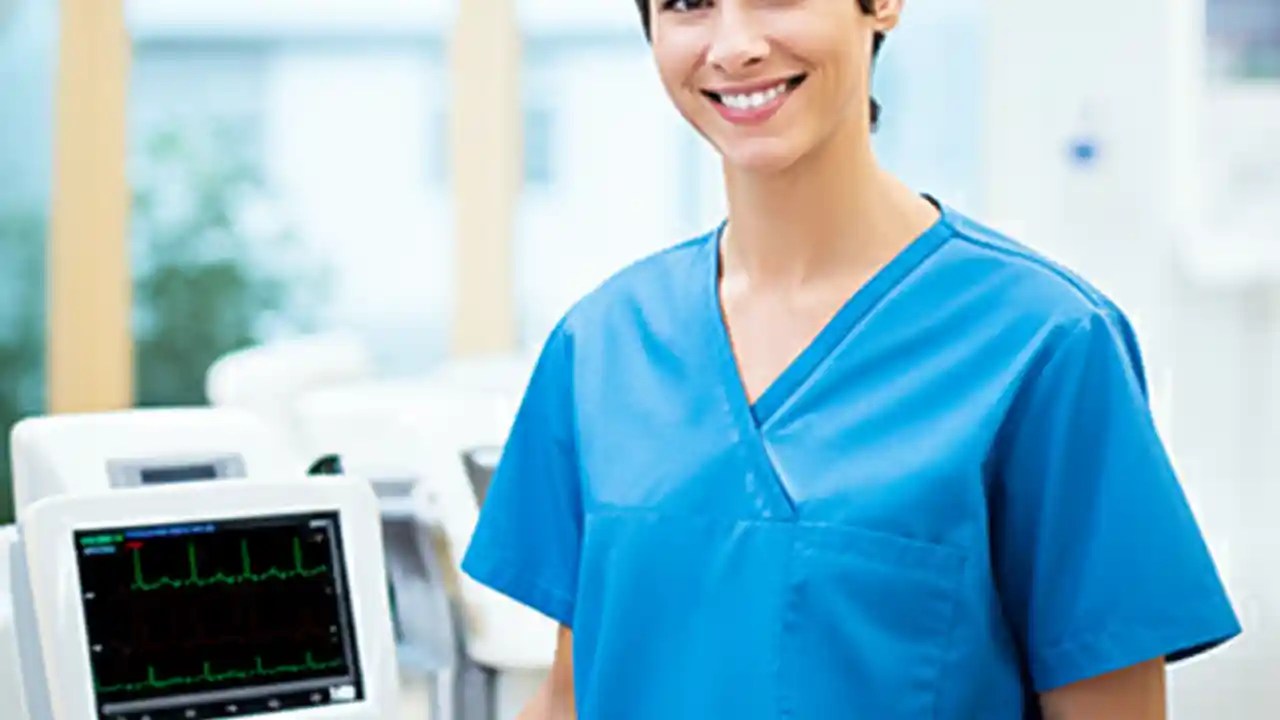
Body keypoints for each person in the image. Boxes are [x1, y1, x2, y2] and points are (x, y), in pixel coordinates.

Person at [460, 1, 1242, 718]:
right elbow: (569, 696)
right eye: (688, 3)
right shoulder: (600, 348)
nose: (733, 47)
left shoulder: (1046, 345)